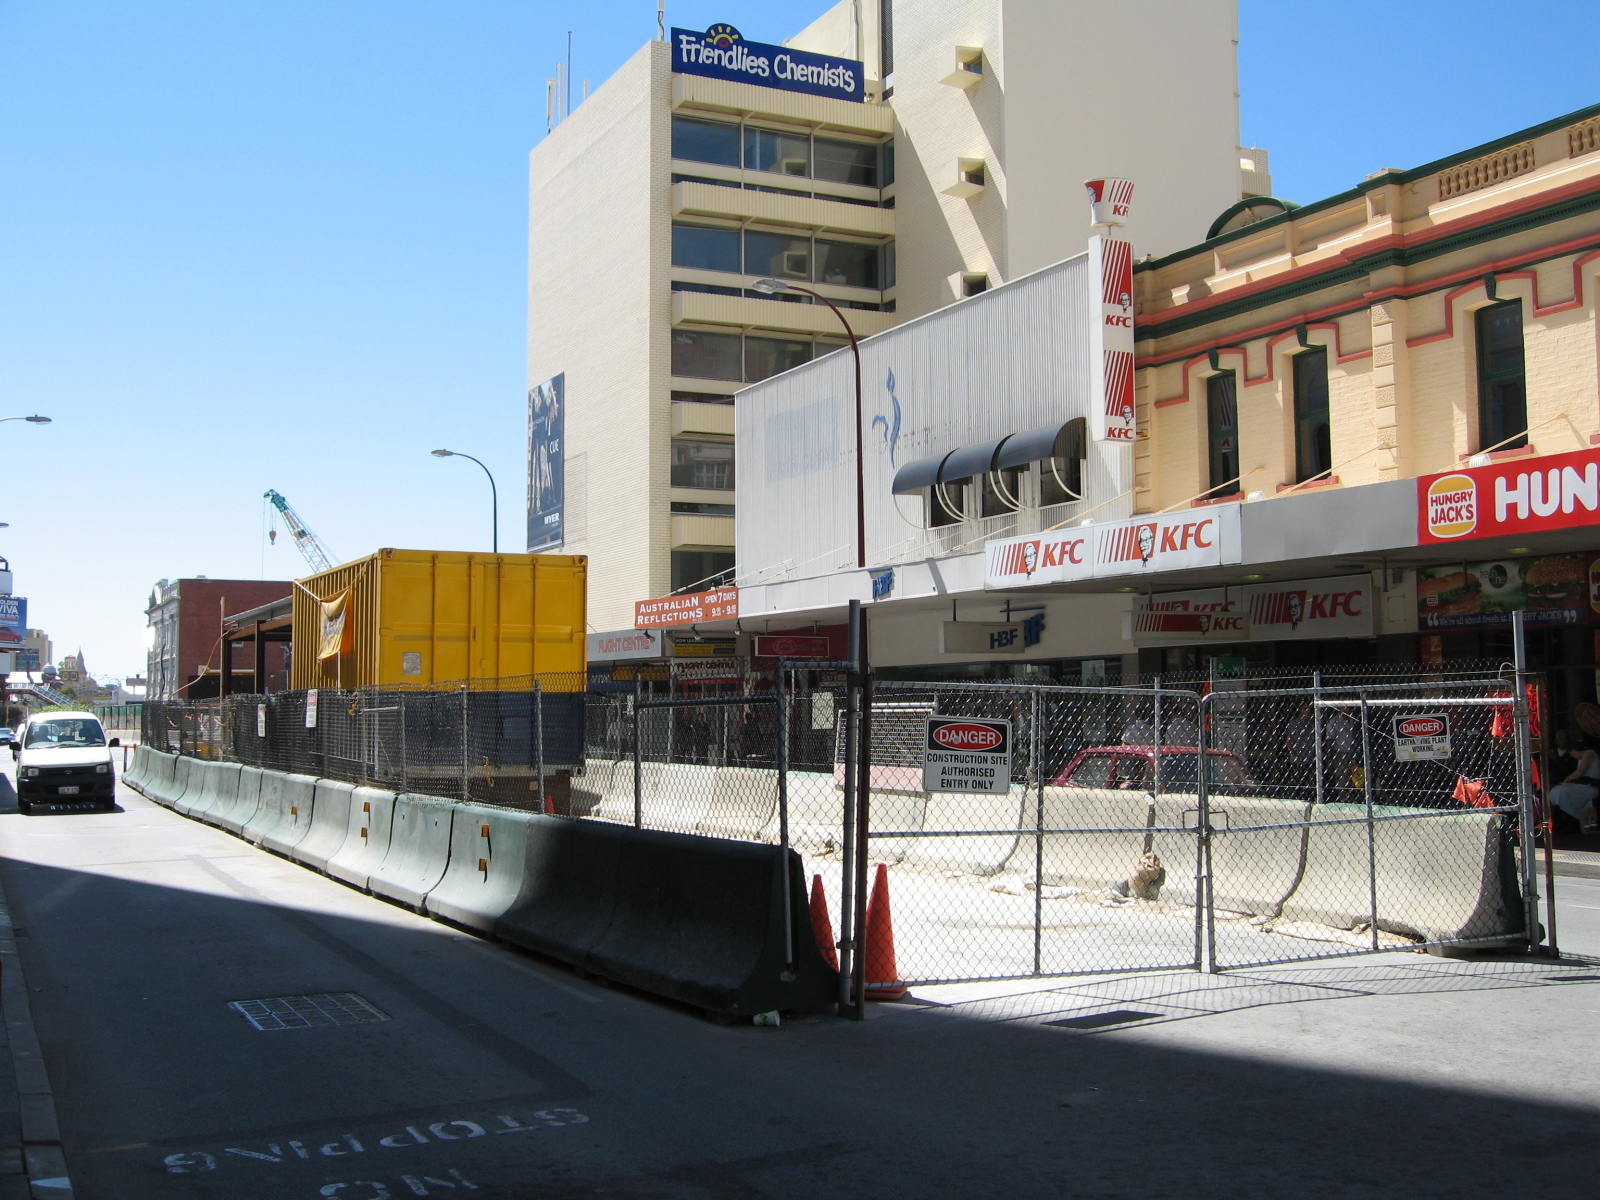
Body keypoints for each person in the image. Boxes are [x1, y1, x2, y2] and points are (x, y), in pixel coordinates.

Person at [1549, 735, 1600, 834]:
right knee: (1556, 790)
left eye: (1571, 753)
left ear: (1574, 750)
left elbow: (1579, 772)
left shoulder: (1588, 754)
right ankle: (1552, 820)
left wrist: (1568, 779)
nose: (1571, 756)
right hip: (1583, 785)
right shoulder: (1581, 758)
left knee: (1559, 791)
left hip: (1590, 786)